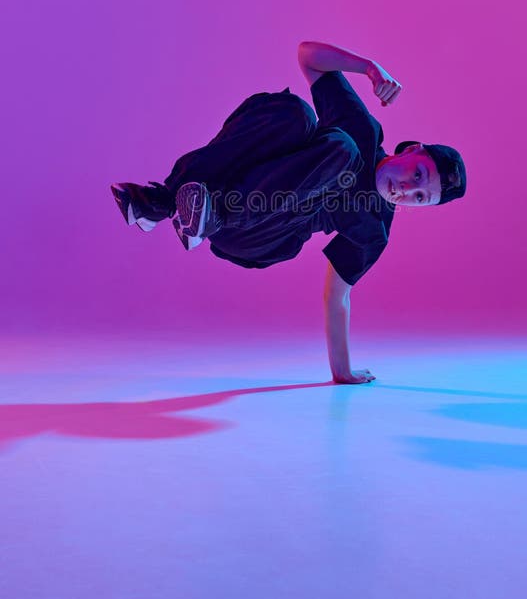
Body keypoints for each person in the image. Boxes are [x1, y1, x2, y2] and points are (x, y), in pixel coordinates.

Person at [111, 40, 467, 384]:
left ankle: (209, 213)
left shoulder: (374, 230)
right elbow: (308, 56)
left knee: (342, 150)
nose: (406, 190)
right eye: (417, 175)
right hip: (223, 190)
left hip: (259, 237)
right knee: (294, 113)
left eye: (420, 197)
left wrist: (342, 371)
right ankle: (161, 202)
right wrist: (368, 67)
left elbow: (337, 297)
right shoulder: (363, 129)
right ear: (412, 150)